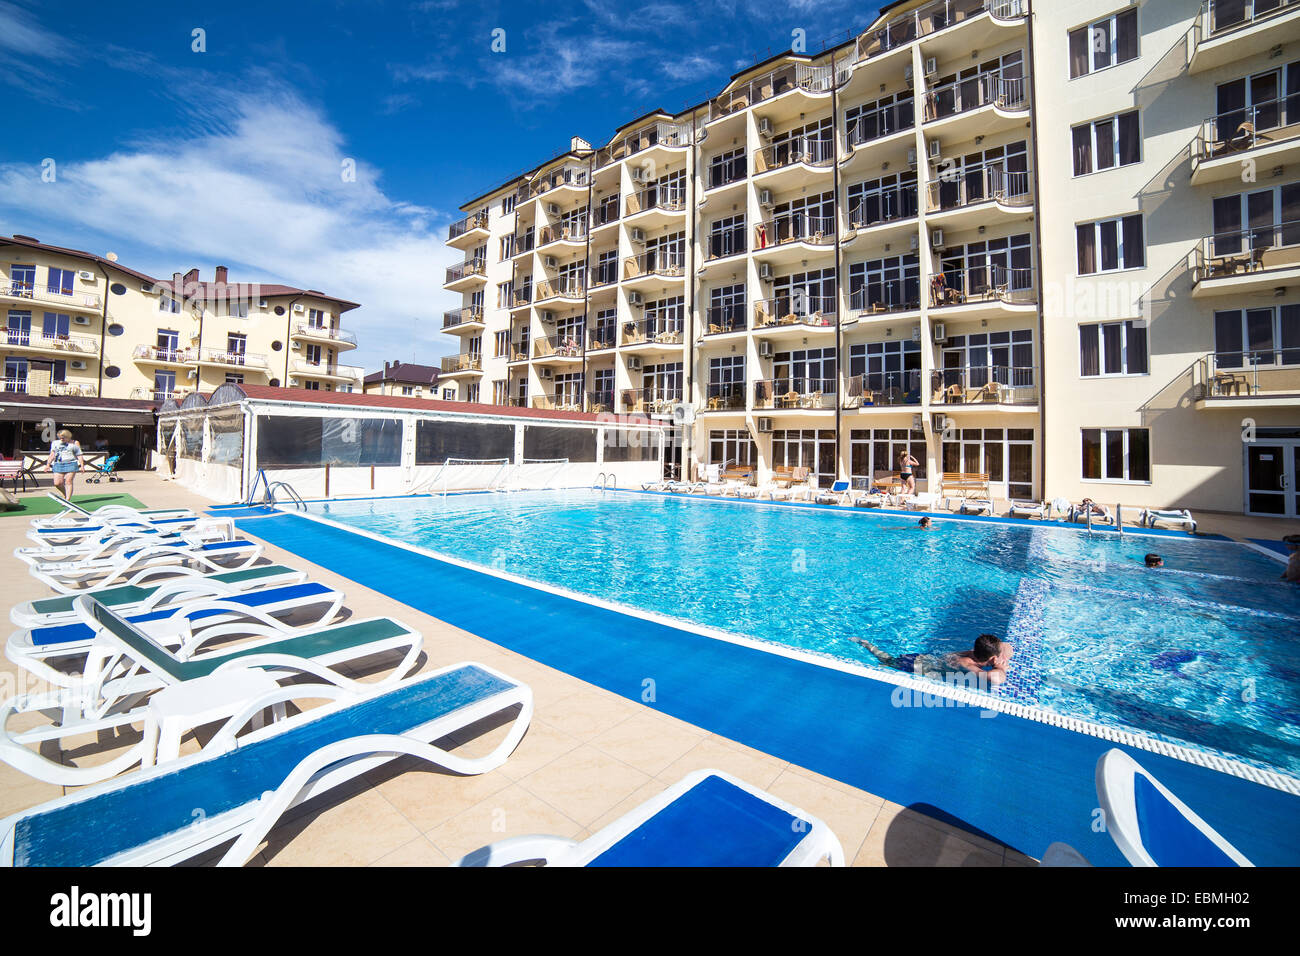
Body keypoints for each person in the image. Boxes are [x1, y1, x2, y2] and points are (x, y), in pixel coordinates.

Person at [854, 633, 1014, 686]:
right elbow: (994, 679)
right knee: (885, 661)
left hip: (923, 660)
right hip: (914, 666)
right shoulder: (966, 663)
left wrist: (1000, 657)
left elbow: (1007, 647)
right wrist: (1000, 668)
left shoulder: (974, 652)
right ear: (993, 657)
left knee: (888, 660)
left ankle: (867, 645)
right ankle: (865, 644)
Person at [47, 429, 84, 500]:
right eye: (60, 437)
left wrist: (82, 466)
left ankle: (67, 499)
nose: (61, 439)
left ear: (68, 436)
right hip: (58, 464)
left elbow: (79, 455)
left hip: (71, 463)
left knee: (68, 481)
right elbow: (52, 454)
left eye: (63, 438)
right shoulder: (55, 443)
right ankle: (65, 494)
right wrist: (48, 464)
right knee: (57, 483)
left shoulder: (75, 443)